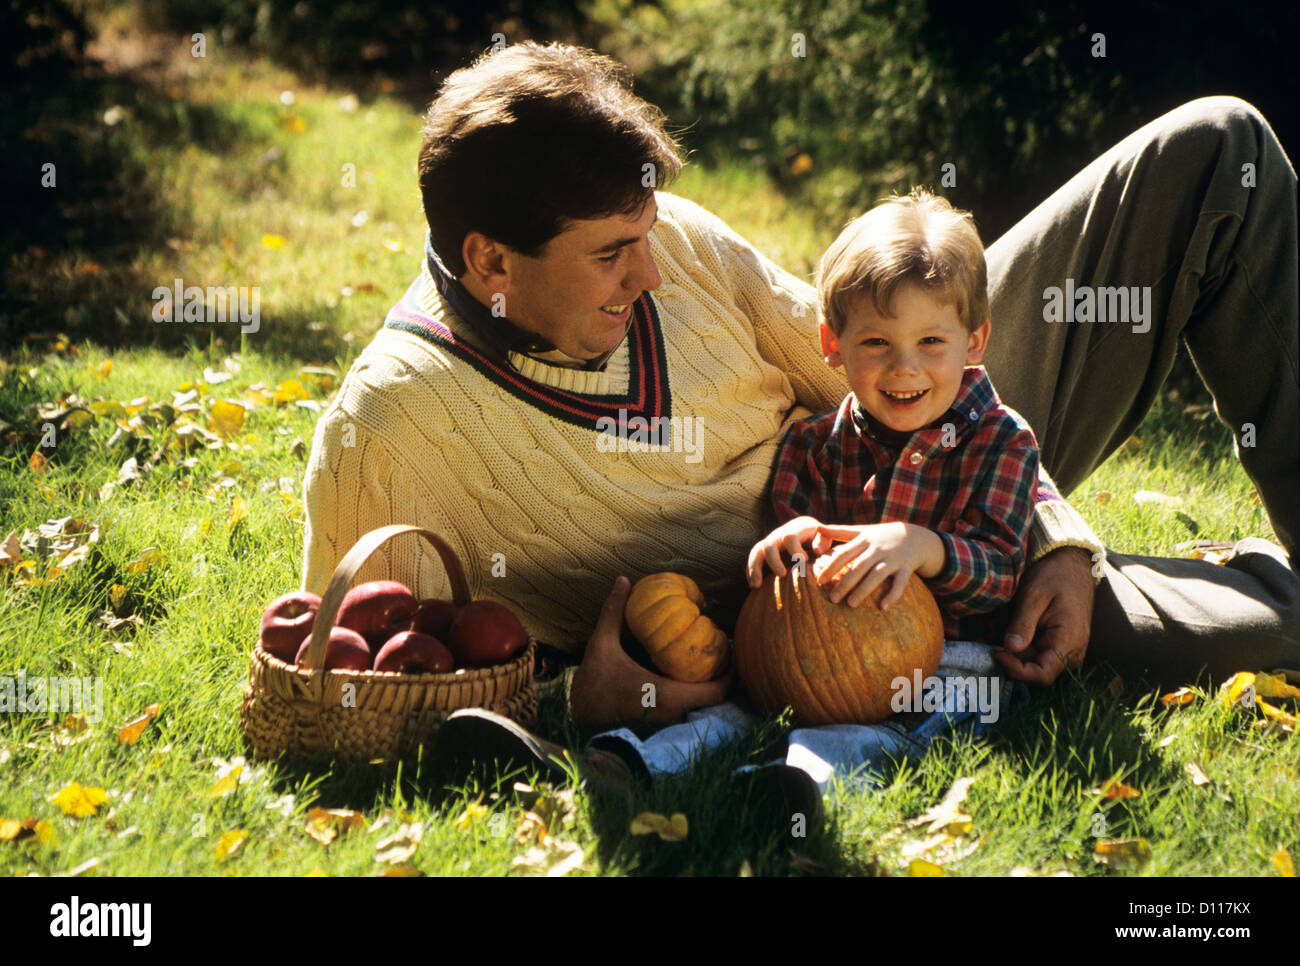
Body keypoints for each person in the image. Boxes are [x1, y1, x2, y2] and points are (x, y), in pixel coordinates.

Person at [301, 41, 1299, 777]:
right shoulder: (388, 429)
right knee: (1257, 635)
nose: (653, 269)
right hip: (845, 637)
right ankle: (1245, 586)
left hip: (940, 441)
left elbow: (875, 380)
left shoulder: (674, 241)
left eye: (646, 232)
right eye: (612, 252)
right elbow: (357, 693)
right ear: (489, 262)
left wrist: (1055, 537)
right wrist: (585, 702)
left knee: (1217, 149)